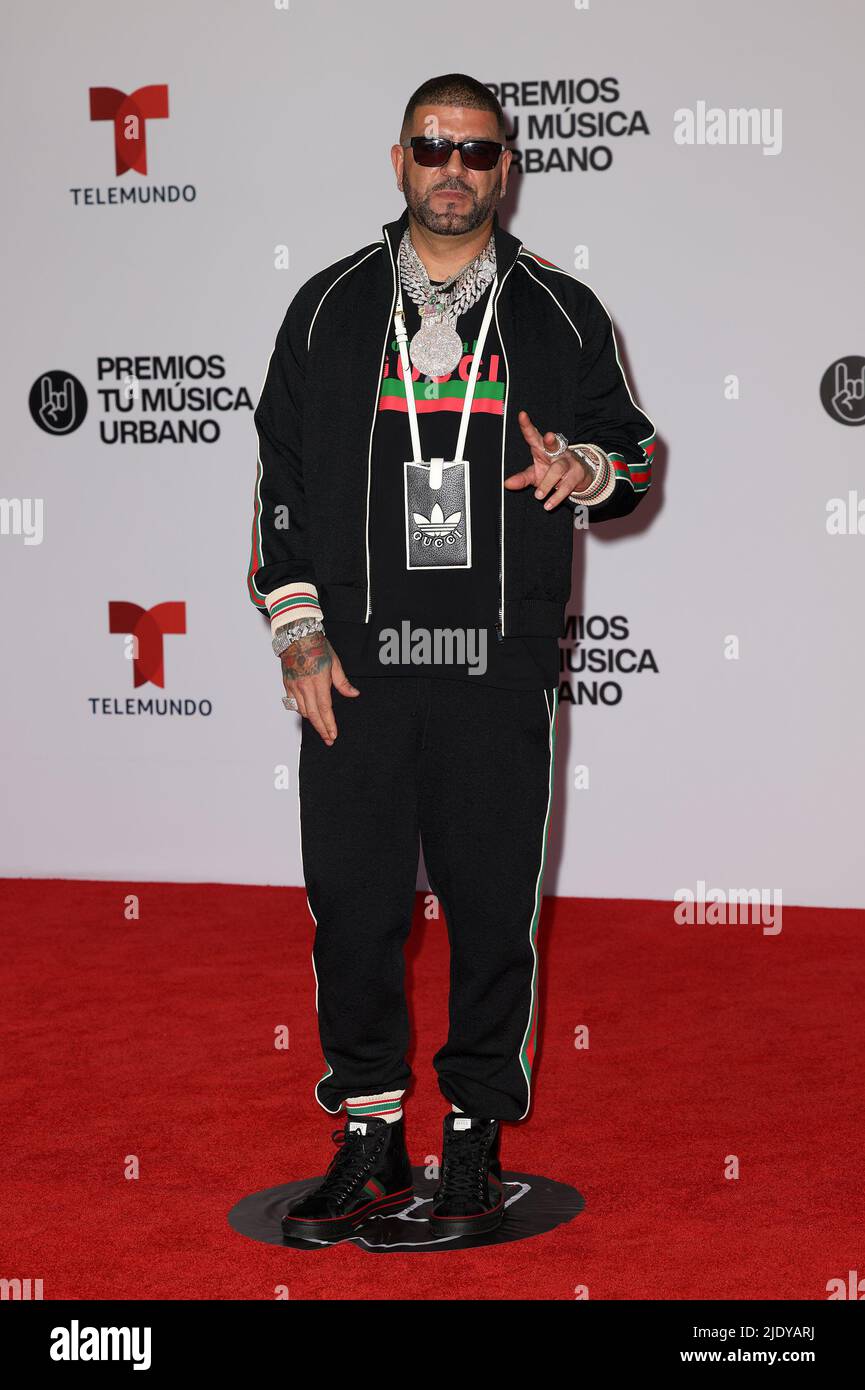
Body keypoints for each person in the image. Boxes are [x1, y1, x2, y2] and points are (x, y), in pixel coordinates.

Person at [247, 72, 655, 1242]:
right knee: (355, 905)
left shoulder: (562, 312)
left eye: (478, 152)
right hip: (358, 664)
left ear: (505, 169)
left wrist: (584, 469)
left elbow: (627, 458)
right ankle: (369, 1133)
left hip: (497, 662)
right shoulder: (325, 309)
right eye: (434, 146)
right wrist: (298, 625)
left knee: (490, 911)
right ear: (398, 160)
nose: (454, 169)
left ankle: (471, 1141)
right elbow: (284, 485)